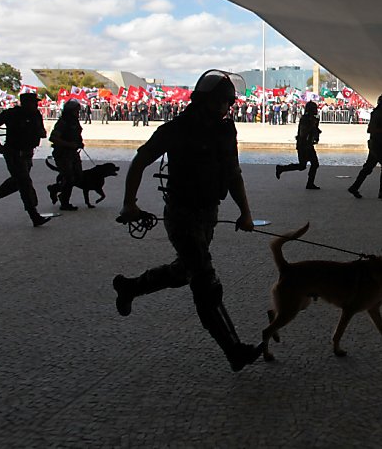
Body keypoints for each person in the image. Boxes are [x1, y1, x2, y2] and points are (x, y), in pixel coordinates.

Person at [112, 70, 265, 372]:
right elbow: (141, 161)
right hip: (181, 214)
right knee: (206, 282)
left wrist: (245, 212)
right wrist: (130, 203)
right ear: (205, 100)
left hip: (209, 213)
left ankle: (131, 288)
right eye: (222, 102)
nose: (227, 108)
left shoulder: (225, 131)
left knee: (186, 271)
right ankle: (234, 351)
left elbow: (233, 174)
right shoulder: (176, 129)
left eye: (229, 103)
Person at [0, 92, 50, 226]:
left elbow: (42, 131)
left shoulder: (36, 115)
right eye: (34, 102)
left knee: (17, 182)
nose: (36, 105)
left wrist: (40, 133)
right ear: (26, 103)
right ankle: (34, 215)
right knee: (24, 182)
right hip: (13, 153)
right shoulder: (11, 114)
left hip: (28, 153)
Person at [348, 93, 382, 199]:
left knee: (368, 168)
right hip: (377, 145)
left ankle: (354, 187)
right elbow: (370, 129)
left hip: (381, 145)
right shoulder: (376, 114)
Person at [47, 99, 84, 211]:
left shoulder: (74, 121)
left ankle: (55, 189)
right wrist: (69, 144)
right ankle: (64, 201)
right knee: (69, 177)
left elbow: (76, 134)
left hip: (73, 153)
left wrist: (79, 143)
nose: (78, 113)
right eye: (76, 111)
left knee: (78, 177)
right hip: (63, 153)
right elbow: (53, 138)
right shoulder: (63, 122)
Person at [275, 100, 322, 189]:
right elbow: (303, 133)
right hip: (304, 145)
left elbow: (315, 131)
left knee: (306, 165)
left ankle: (282, 169)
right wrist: (312, 126)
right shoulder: (305, 119)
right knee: (307, 165)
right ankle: (281, 169)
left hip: (307, 144)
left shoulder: (312, 118)